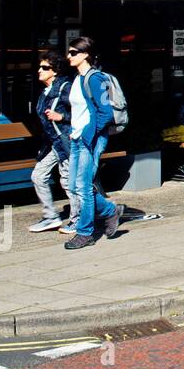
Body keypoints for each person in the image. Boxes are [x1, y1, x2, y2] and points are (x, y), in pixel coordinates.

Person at [63, 37, 123, 250]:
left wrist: (89, 134)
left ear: (85, 54)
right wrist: (75, 131)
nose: (69, 56)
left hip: (91, 139)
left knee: (84, 187)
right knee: (73, 186)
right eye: (69, 53)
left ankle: (85, 232)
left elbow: (105, 113)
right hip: (78, 138)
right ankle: (109, 211)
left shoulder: (94, 79)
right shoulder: (78, 79)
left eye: (73, 53)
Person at [29, 53, 77, 234]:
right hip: (52, 144)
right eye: (40, 67)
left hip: (66, 142)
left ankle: (77, 219)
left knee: (68, 182)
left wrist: (62, 116)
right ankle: (51, 217)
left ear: (56, 71)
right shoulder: (45, 92)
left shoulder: (66, 88)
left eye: (45, 68)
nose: (40, 70)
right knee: (38, 176)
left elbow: (83, 114)